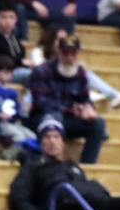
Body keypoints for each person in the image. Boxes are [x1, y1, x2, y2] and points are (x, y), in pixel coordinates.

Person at [25, 33, 106, 162]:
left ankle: (88, 165)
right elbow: (41, 103)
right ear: (59, 52)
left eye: (73, 53)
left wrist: (88, 110)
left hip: (68, 118)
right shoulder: (42, 71)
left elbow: (84, 98)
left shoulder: (80, 73)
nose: (69, 57)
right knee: (53, 118)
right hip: (43, 117)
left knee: (98, 124)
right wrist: (71, 110)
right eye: (66, 53)